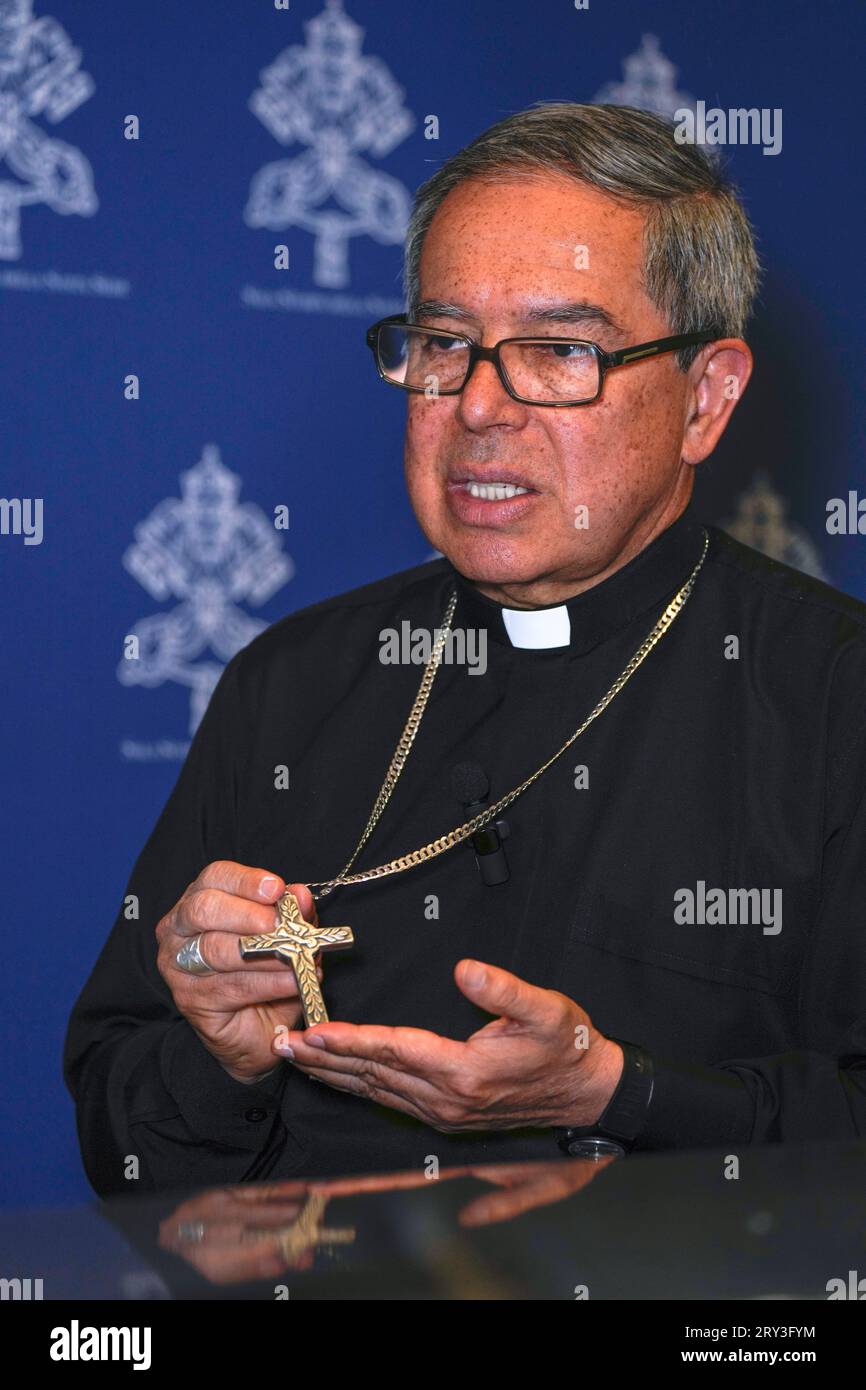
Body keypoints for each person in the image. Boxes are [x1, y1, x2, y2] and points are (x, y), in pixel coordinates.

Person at [65, 103, 866, 1197]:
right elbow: (117, 1146)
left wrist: (614, 1093)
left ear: (703, 401)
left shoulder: (834, 698)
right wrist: (222, 1059)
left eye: (558, 351)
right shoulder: (290, 682)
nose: (479, 405)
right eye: (443, 344)